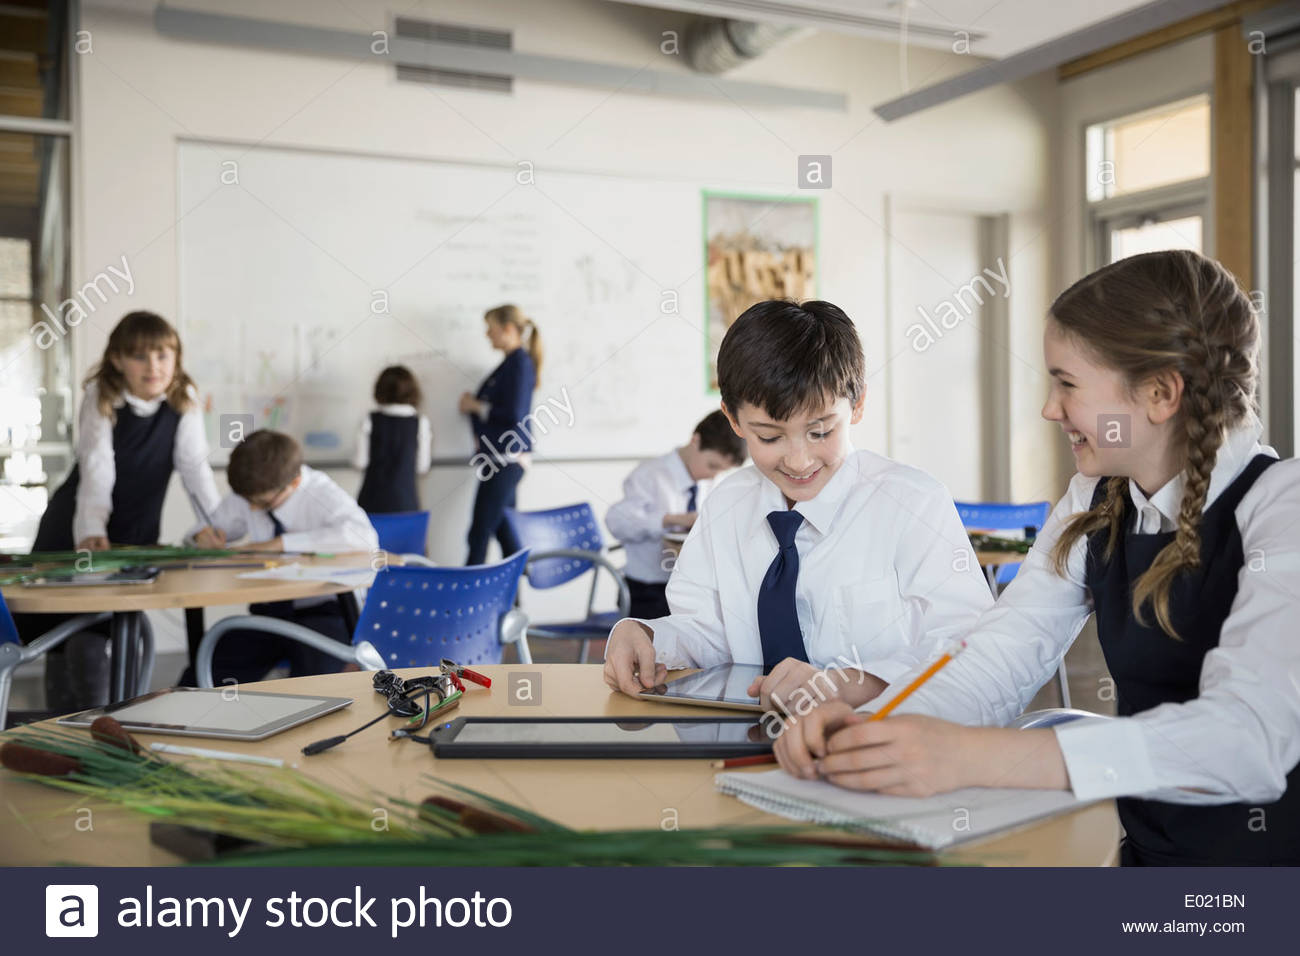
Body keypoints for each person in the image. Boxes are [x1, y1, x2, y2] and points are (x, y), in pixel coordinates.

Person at [775, 251, 1300, 866]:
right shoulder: (1097, 497)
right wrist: (875, 727)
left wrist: (977, 757)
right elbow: (1003, 653)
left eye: (1067, 384)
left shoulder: (1281, 505)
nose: (1051, 409)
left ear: (1160, 393)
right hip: (1150, 858)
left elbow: (1249, 738)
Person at [602, 299, 993, 711]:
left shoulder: (913, 502)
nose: (799, 460)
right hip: (747, 739)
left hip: (878, 739)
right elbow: (707, 630)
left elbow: (970, 645)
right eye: (769, 438)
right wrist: (648, 636)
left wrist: (852, 684)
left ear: (857, 404)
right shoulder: (727, 506)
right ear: (734, 421)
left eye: (821, 431)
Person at [18, 310, 220, 711]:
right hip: (75, 526)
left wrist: (215, 524)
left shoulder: (184, 400)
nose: (154, 367)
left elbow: (194, 467)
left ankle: (115, 723)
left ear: (176, 358)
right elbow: (97, 466)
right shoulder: (101, 397)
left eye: (163, 356)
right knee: (71, 626)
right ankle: (70, 728)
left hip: (134, 531)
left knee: (114, 621)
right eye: (140, 357)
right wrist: (91, 529)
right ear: (117, 360)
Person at [180, 429, 378, 685]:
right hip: (269, 612)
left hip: (323, 613)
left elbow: (364, 536)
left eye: (263, 504)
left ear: (293, 483)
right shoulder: (251, 491)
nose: (252, 509)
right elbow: (202, 529)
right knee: (202, 673)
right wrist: (202, 537)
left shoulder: (320, 491)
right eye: (247, 501)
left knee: (313, 693)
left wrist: (281, 544)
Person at [605, 410, 746, 619]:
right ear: (695, 441)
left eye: (720, 471)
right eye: (712, 466)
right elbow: (616, 522)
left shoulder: (705, 481)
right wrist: (671, 519)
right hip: (648, 590)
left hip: (688, 584)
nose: (712, 475)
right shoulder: (650, 474)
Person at [459, 304, 542, 565]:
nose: (487, 335)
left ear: (507, 329)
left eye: (490, 329)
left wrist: (476, 406)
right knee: (504, 531)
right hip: (501, 458)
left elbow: (513, 413)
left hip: (506, 459)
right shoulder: (511, 363)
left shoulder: (519, 364)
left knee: (479, 534)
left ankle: (468, 601)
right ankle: (513, 601)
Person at [353, 365, 432, 513]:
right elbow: (422, 467)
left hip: (370, 504)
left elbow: (360, 462)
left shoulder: (369, 420)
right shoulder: (420, 422)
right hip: (405, 504)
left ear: (380, 389)